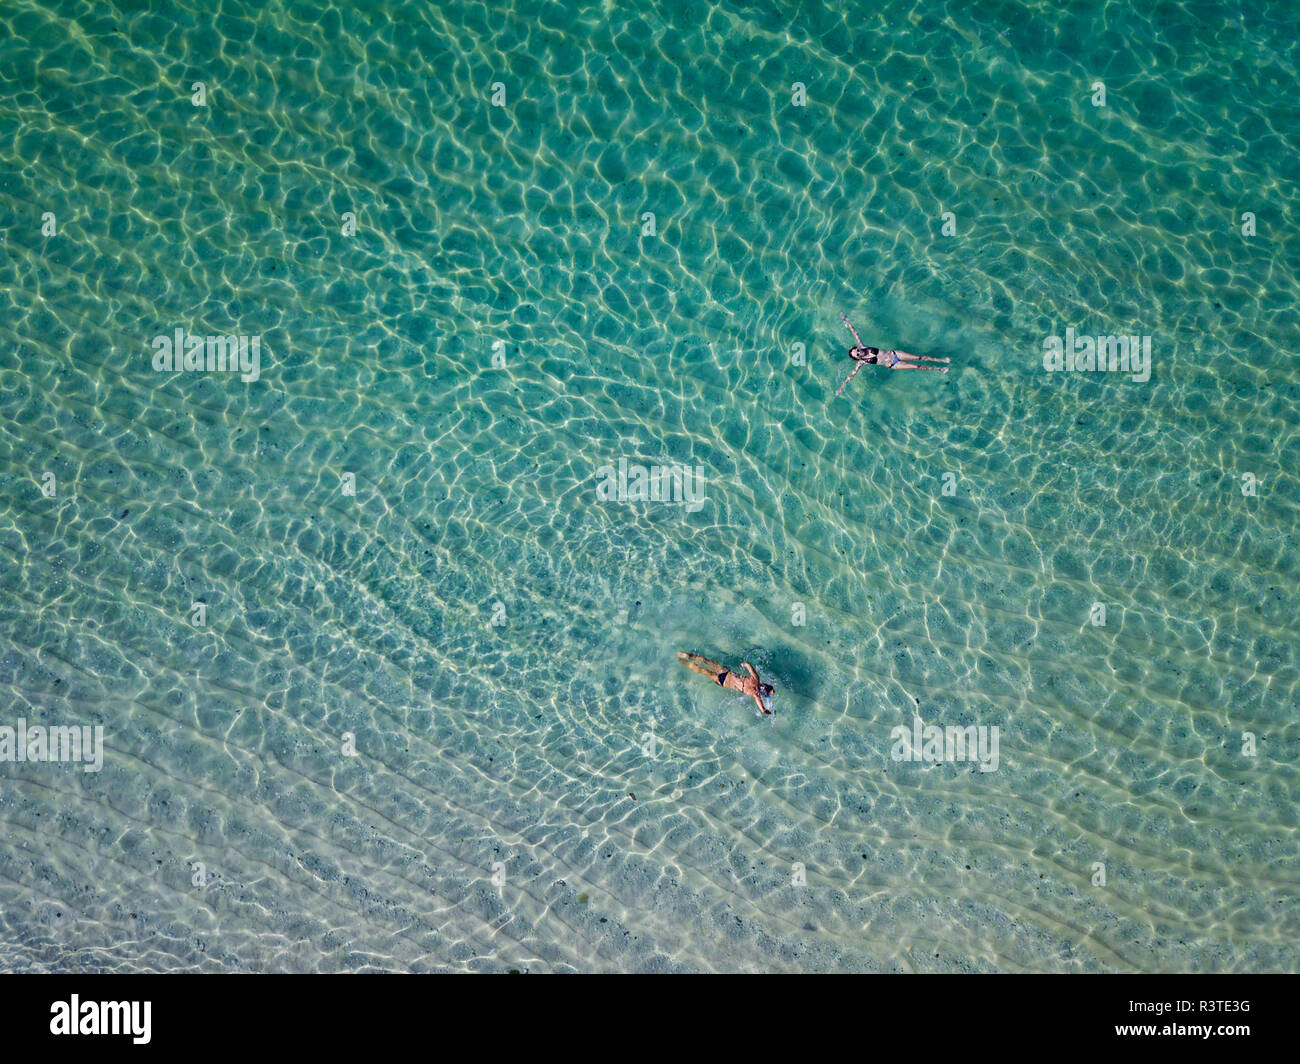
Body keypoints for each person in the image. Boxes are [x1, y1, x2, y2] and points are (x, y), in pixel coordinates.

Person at [835, 311, 950, 394]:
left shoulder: (863, 346)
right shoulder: (861, 363)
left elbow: (855, 333)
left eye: (857, 350)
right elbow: (851, 375)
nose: (859, 352)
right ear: (858, 358)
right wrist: (842, 386)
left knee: (919, 357)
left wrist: (846, 320)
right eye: (857, 354)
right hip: (893, 364)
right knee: (916, 366)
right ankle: (939, 369)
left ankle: (941, 360)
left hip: (894, 354)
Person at [677, 652, 774, 716]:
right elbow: (762, 709)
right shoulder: (755, 695)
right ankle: (680, 660)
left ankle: (685, 655)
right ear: (762, 693)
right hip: (723, 682)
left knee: (705, 661)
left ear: (764, 684)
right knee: (702, 670)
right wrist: (767, 711)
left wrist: (743, 664)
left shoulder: (756, 679)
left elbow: (748, 665)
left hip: (726, 672)